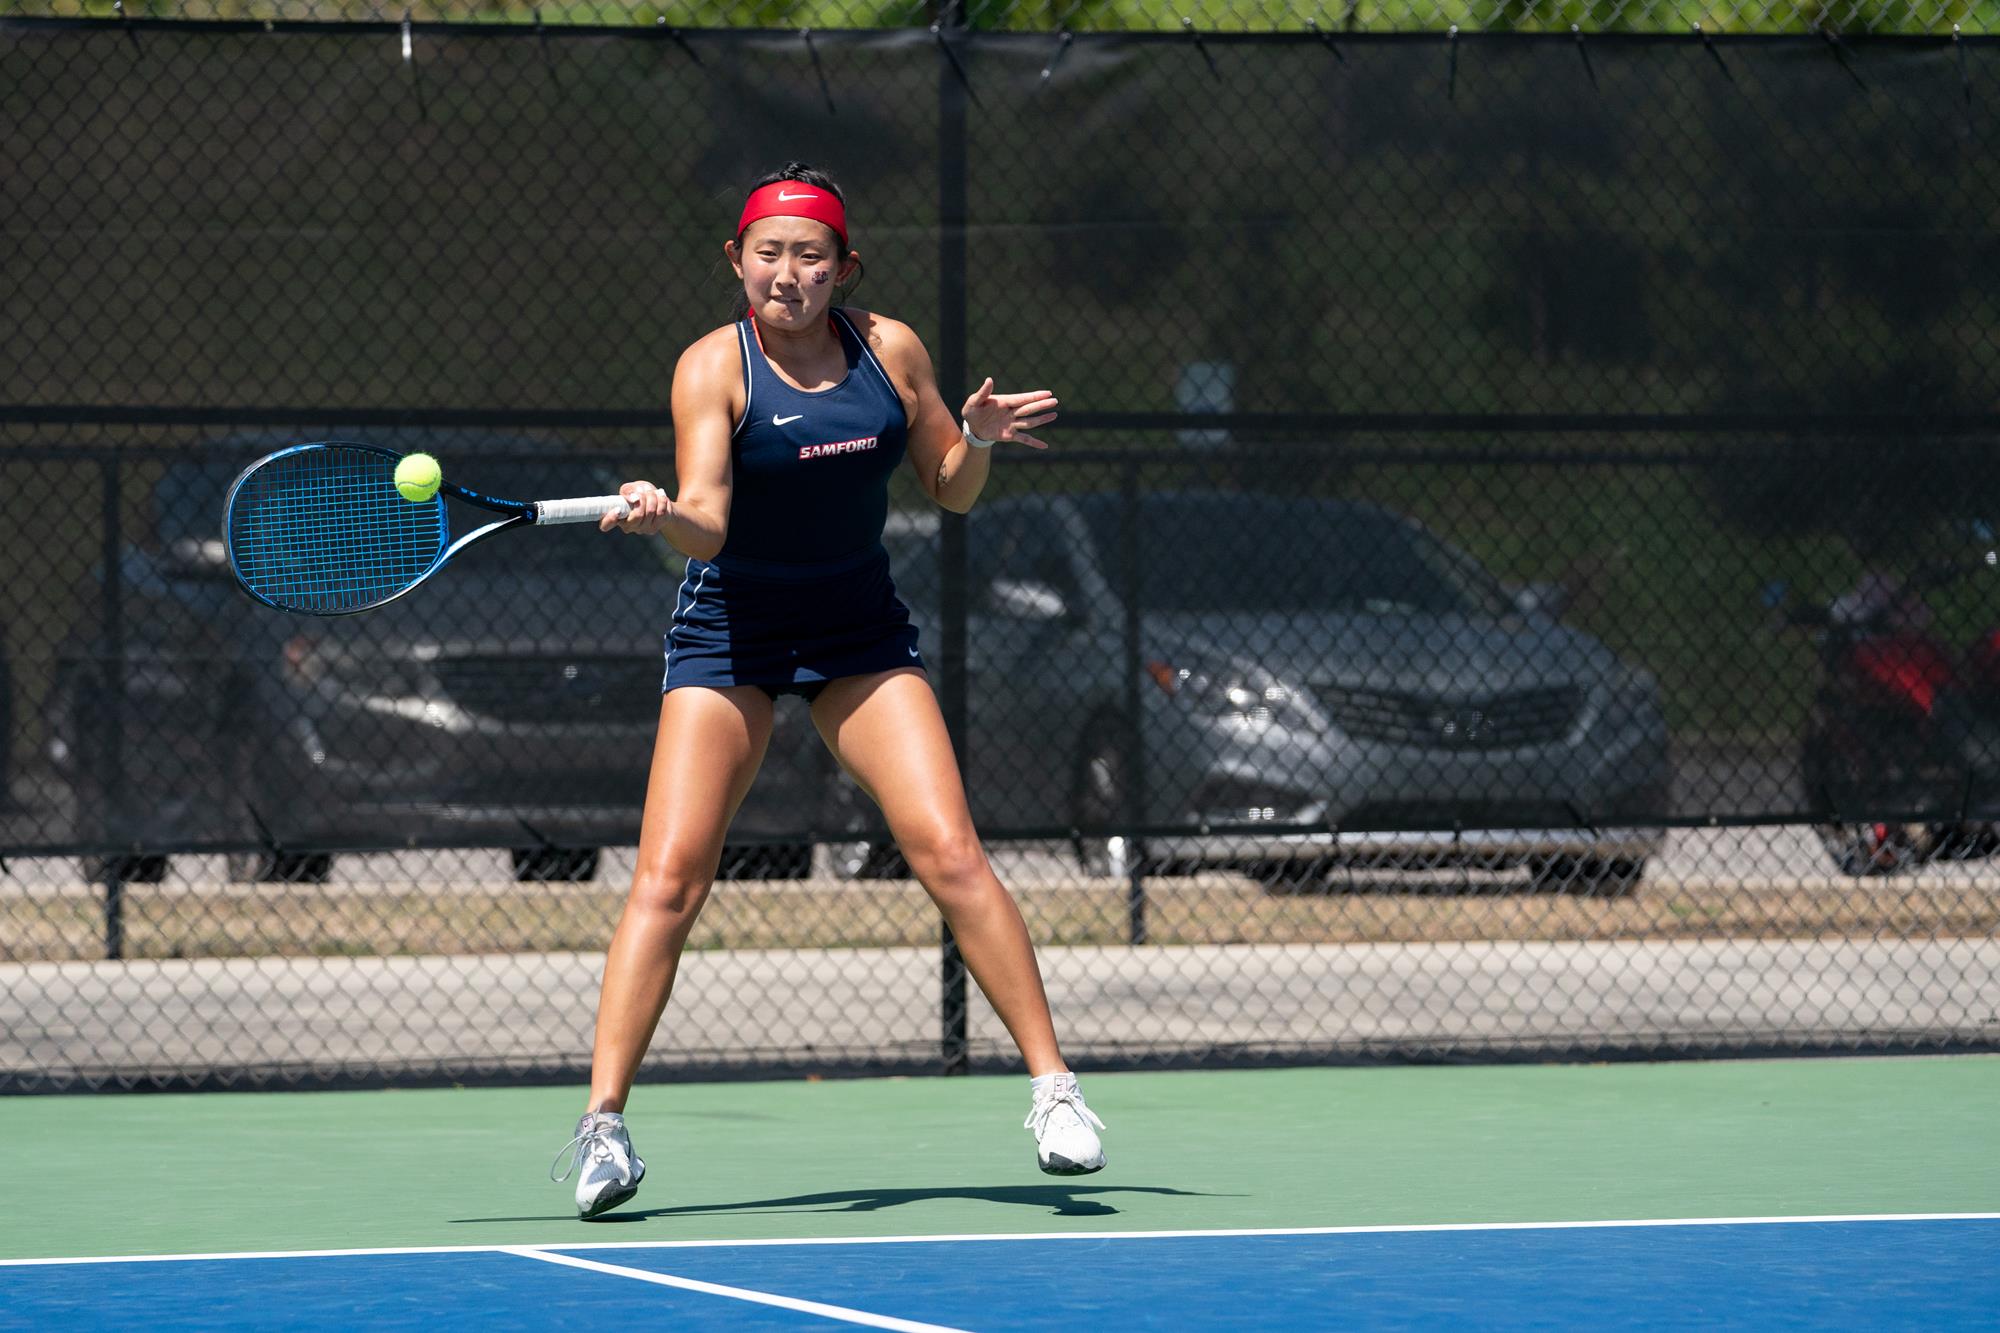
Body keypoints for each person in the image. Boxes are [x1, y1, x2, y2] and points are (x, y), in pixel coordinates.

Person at [549, 163, 1107, 1220]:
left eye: (810, 256)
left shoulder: (888, 349)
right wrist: (658, 512)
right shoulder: (712, 368)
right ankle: (603, 1129)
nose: (787, 274)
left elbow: (947, 488)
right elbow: (708, 523)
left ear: (843, 267)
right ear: (736, 262)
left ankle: (1055, 1093)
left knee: (949, 851)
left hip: (856, 630)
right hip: (730, 630)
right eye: (768, 254)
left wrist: (977, 438)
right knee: (668, 877)